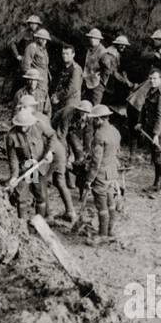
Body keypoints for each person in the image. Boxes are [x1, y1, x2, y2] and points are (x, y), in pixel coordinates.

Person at [83, 103, 123, 241]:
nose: (93, 121)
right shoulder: (115, 131)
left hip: (100, 175)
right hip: (112, 172)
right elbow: (117, 151)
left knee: (101, 205)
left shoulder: (99, 135)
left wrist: (89, 180)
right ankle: (110, 231)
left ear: (99, 119)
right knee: (111, 202)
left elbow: (96, 162)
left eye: (94, 119)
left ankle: (102, 234)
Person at [31, 107, 76, 225]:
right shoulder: (43, 117)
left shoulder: (34, 121)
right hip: (60, 151)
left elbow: (41, 142)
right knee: (60, 182)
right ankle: (70, 212)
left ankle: (47, 215)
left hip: (53, 154)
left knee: (42, 183)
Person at [6, 107, 50, 221]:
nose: (23, 128)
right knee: (21, 197)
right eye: (21, 126)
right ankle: (22, 226)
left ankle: (40, 222)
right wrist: (14, 176)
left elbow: (52, 137)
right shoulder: (11, 136)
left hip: (39, 166)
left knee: (40, 195)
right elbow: (13, 158)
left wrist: (49, 152)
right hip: (24, 168)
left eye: (25, 126)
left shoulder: (39, 127)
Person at [138, 67, 161, 192]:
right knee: (155, 158)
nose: (152, 81)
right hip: (153, 131)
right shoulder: (150, 92)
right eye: (150, 78)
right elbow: (144, 109)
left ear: (160, 79)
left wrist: (156, 134)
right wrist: (140, 122)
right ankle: (156, 184)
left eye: (155, 78)